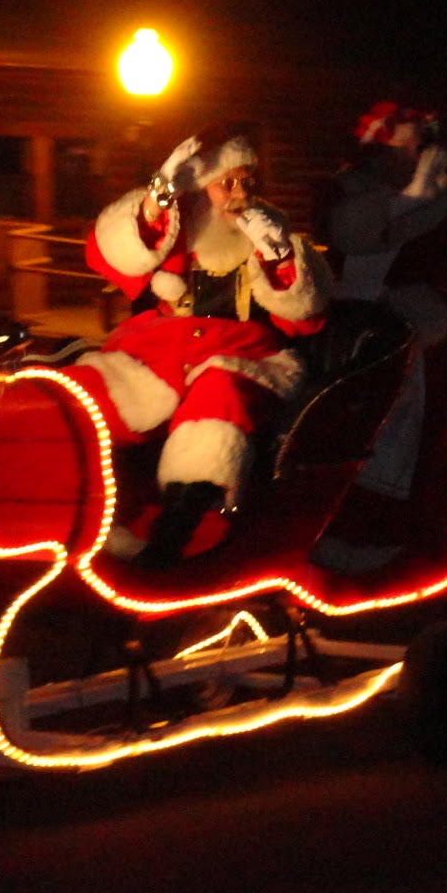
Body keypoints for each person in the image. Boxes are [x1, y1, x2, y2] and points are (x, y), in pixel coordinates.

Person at [74, 123, 330, 569]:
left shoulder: (269, 227)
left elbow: (304, 312)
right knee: (94, 392)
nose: (238, 192)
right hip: (162, 344)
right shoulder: (178, 227)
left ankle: (175, 532)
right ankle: (84, 509)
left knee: (219, 398)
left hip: (244, 348)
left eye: (246, 181)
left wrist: (279, 253)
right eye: (225, 183)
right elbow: (107, 253)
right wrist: (158, 194)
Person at [314, 102, 447, 567]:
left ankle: (394, 536)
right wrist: (410, 200)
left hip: (424, 344)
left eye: (420, 143)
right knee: (345, 427)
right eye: (403, 143)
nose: (414, 152)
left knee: (411, 434)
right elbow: (348, 237)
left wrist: (430, 300)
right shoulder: (348, 192)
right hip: (346, 335)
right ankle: (334, 529)